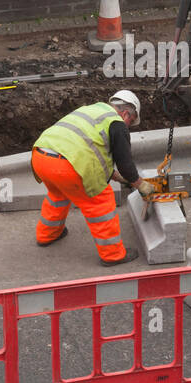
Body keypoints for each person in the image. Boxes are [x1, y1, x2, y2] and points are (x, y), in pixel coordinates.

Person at [32, 90, 156, 265]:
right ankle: (112, 254)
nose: (128, 126)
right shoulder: (117, 123)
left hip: (40, 156)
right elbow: (125, 164)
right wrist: (140, 185)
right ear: (126, 113)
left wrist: (119, 178)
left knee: (58, 195)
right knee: (100, 201)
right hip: (67, 164)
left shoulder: (93, 110)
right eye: (131, 121)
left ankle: (47, 234)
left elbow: (90, 152)